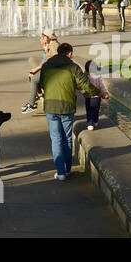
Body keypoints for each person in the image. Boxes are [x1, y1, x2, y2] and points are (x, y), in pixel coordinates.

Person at [38, 43, 95, 181]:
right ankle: (67, 169)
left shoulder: (47, 65)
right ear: (69, 53)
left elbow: (40, 82)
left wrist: (41, 92)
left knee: (56, 139)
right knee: (67, 138)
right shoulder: (73, 67)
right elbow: (85, 83)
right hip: (67, 106)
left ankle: (61, 172)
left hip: (51, 106)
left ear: (58, 52)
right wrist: (99, 93)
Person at [21, 32, 58, 113]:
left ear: (46, 38)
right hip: (48, 68)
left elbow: (49, 60)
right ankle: (39, 95)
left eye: (41, 37)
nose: (40, 39)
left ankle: (32, 104)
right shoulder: (48, 45)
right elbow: (44, 60)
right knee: (31, 75)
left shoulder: (53, 46)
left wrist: (36, 69)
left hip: (53, 71)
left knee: (34, 78)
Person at [83, 58, 109, 130]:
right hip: (97, 98)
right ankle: (95, 121)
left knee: (89, 110)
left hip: (89, 98)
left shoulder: (85, 77)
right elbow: (101, 86)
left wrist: (83, 93)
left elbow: (82, 86)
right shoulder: (97, 77)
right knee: (96, 110)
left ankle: (90, 123)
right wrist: (105, 92)